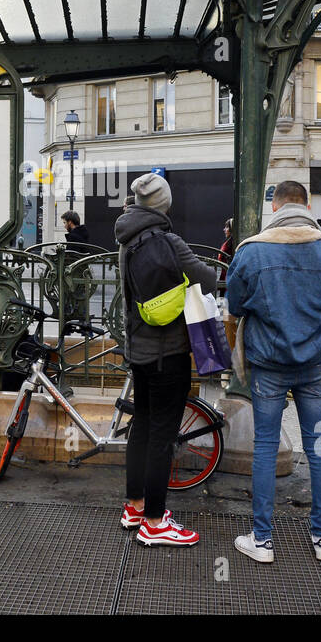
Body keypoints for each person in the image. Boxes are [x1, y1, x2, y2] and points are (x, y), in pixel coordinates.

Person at [225, 180, 321, 564]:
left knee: (264, 446)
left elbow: (236, 304)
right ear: (307, 206)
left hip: (268, 364)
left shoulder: (251, 251)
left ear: (276, 207)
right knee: (318, 447)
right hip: (314, 364)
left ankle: (262, 541)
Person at [114, 173, 217, 547]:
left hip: (138, 352)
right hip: (168, 353)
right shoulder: (169, 242)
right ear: (164, 205)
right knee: (161, 435)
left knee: (141, 428)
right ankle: (155, 522)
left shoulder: (126, 241)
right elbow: (208, 278)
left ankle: (136, 506)